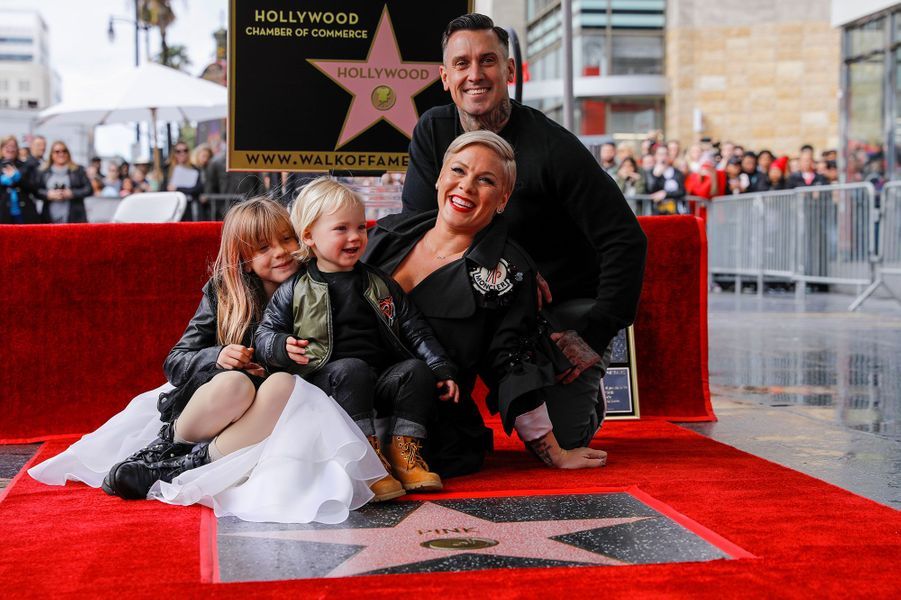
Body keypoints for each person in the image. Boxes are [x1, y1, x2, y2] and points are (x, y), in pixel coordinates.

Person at [29, 198, 385, 524]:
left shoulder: (320, 286)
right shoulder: (224, 292)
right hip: (214, 408)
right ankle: (166, 451)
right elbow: (176, 361)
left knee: (283, 385)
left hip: (272, 419)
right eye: (263, 247)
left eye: (287, 239)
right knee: (235, 382)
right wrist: (218, 355)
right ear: (243, 256)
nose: (281, 253)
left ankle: (188, 466)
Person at [401, 15, 647, 455]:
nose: (475, 74)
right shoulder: (433, 131)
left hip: (550, 312)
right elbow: (419, 230)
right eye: (461, 63)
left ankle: (585, 394)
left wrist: (593, 334)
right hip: (472, 297)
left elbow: (625, 238)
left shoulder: (554, 147)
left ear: (510, 73)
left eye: (488, 61)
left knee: (566, 439)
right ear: (445, 77)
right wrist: (512, 268)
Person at [367, 131, 608, 476]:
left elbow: (510, 362)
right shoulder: (387, 234)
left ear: (503, 199)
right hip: (355, 399)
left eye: (485, 180)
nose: (466, 186)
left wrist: (553, 450)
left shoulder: (510, 270)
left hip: (428, 429)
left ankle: (590, 397)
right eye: (458, 171)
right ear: (438, 178)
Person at [255, 178, 459, 498]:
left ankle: (404, 454)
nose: (355, 237)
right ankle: (365, 460)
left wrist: (440, 367)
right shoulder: (295, 288)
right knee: (352, 369)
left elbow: (414, 326)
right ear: (308, 235)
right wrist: (281, 346)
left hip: (377, 381)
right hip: (327, 381)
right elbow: (265, 334)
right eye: (341, 229)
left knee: (415, 370)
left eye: (361, 227)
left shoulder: (378, 282)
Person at [35, 141, 92, 223]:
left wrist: (72, 193)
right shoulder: (43, 172)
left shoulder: (78, 170)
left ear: (68, 153)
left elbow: (89, 189)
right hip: (49, 218)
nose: (61, 154)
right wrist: (48, 194)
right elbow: (36, 191)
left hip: (74, 218)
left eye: (64, 151)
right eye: (57, 152)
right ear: (52, 154)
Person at [0, 135, 39, 224]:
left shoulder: (25, 166)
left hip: (23, 213)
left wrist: (18, 178)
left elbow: (34, 188)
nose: (10, 149)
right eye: (7, 146)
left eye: (13, 146)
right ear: (1, 149)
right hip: (3, 213)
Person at [164, 141, 203, 220]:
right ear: (174, 154)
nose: (182, 153)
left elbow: (197, 189)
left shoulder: (195, 169)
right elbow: (163, 188)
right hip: (171, 206)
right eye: (178, 151)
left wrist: (177, 188)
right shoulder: (167, 169)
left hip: (189, 207)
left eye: (185, 150)